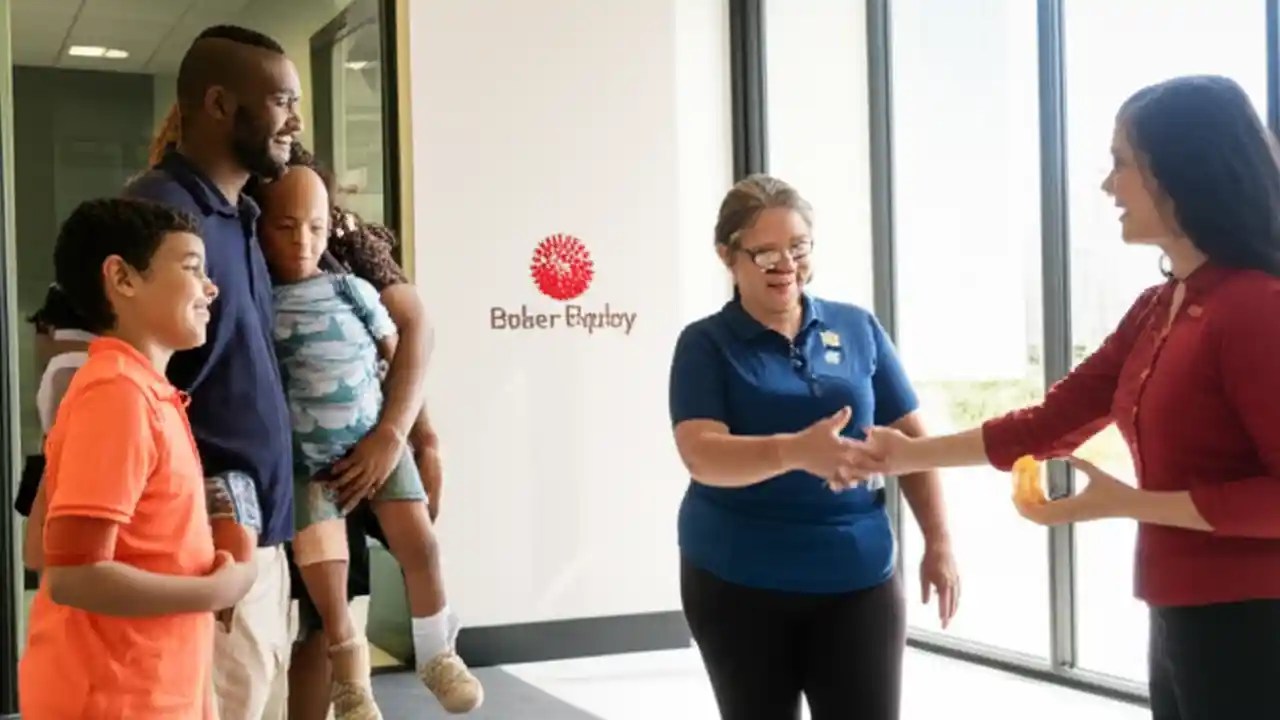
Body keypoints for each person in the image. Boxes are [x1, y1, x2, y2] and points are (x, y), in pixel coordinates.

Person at [860, 75, 1280, 720]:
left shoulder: (1255, 307)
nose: (1108, 185)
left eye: (1121, 162)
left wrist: (1130, 504)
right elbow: (1052, 421)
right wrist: (904, 456)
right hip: (1180, 612)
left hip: (1254, 619)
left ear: (1179, 170)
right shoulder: (1159, 307)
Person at [668, 174, 960, 720]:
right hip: (737, 581)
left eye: (799, 248)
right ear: (727, 256)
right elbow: (701, 454)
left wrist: (939, 541)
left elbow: (913, 442)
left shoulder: (857, 327)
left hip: (858, 576)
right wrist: (795, 452)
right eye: (765, 253)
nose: (786, 265)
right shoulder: (705, 344)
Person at [254, 163, 482, 716]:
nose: (302, 240)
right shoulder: (261, 298)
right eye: (285, 226)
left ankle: (438, 652)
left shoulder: (352, 284)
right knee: (323, 585)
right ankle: (352, 682)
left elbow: (402, 344)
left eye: (315, 226)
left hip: (378, 440)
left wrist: (412, 435)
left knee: (420, 546)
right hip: (310, 462)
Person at [124, 24, 303, 720]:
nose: (294, 122)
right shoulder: (158, 216)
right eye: (282, 102)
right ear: (221, 105)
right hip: (203, 548)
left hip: (262, 542)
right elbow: (119, 384)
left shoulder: (241, 217)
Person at [18, 197, 255, 718]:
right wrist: (216, 589)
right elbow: (74, 576)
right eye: (191, 268)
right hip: (115, 699)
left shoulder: (137, 391)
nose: (210, 287)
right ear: (122, 278)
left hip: (149, 689)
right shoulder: (118, 396)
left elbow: (40, 549)